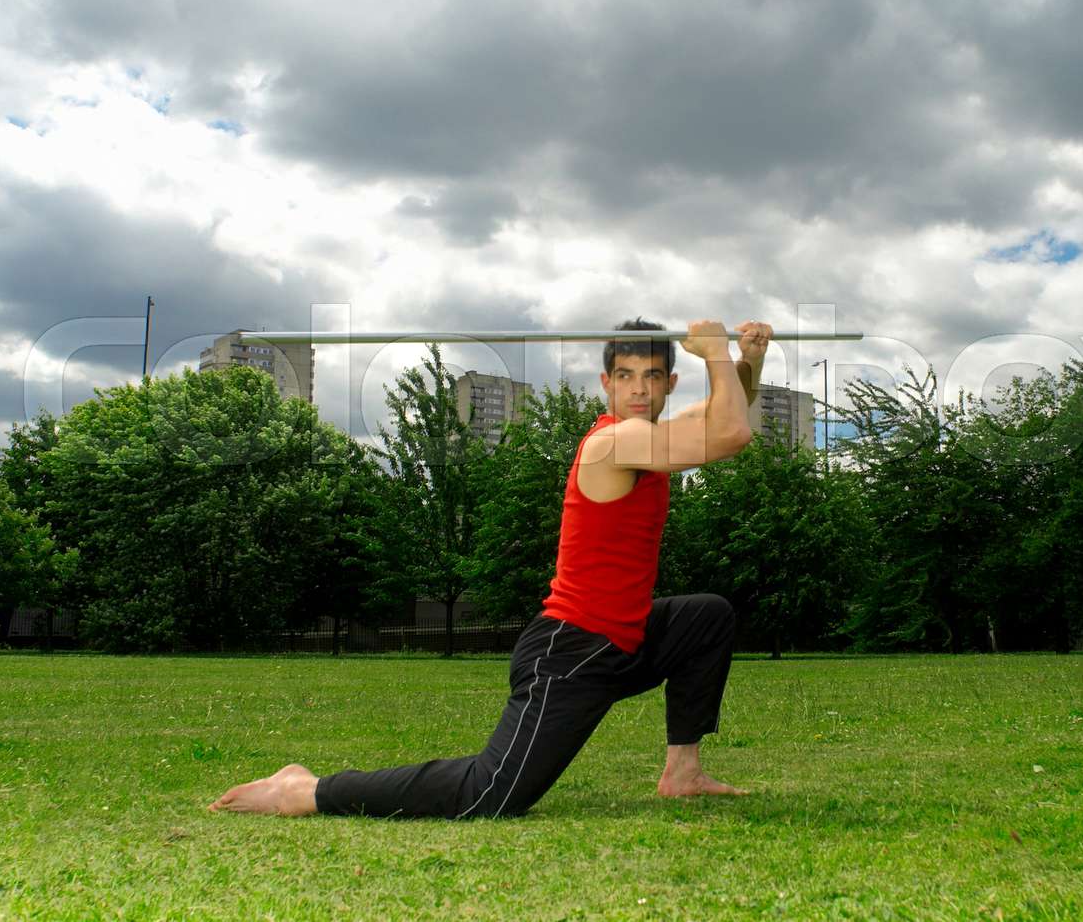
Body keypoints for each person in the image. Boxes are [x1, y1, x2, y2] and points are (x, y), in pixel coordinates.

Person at [209, 317, 769, 819]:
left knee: (705, 617)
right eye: (625, 376)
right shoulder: (615, 443)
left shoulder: (654, 436)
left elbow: (722, 413)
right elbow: (731, 433)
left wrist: (748, 361)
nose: (639, 389)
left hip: (626, 636)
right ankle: (305, 790)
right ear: (607, 384)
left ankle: (683, 772)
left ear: (670, 384)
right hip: (573, 650)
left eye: (651, 376)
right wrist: (716, 354)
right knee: (489, 793)